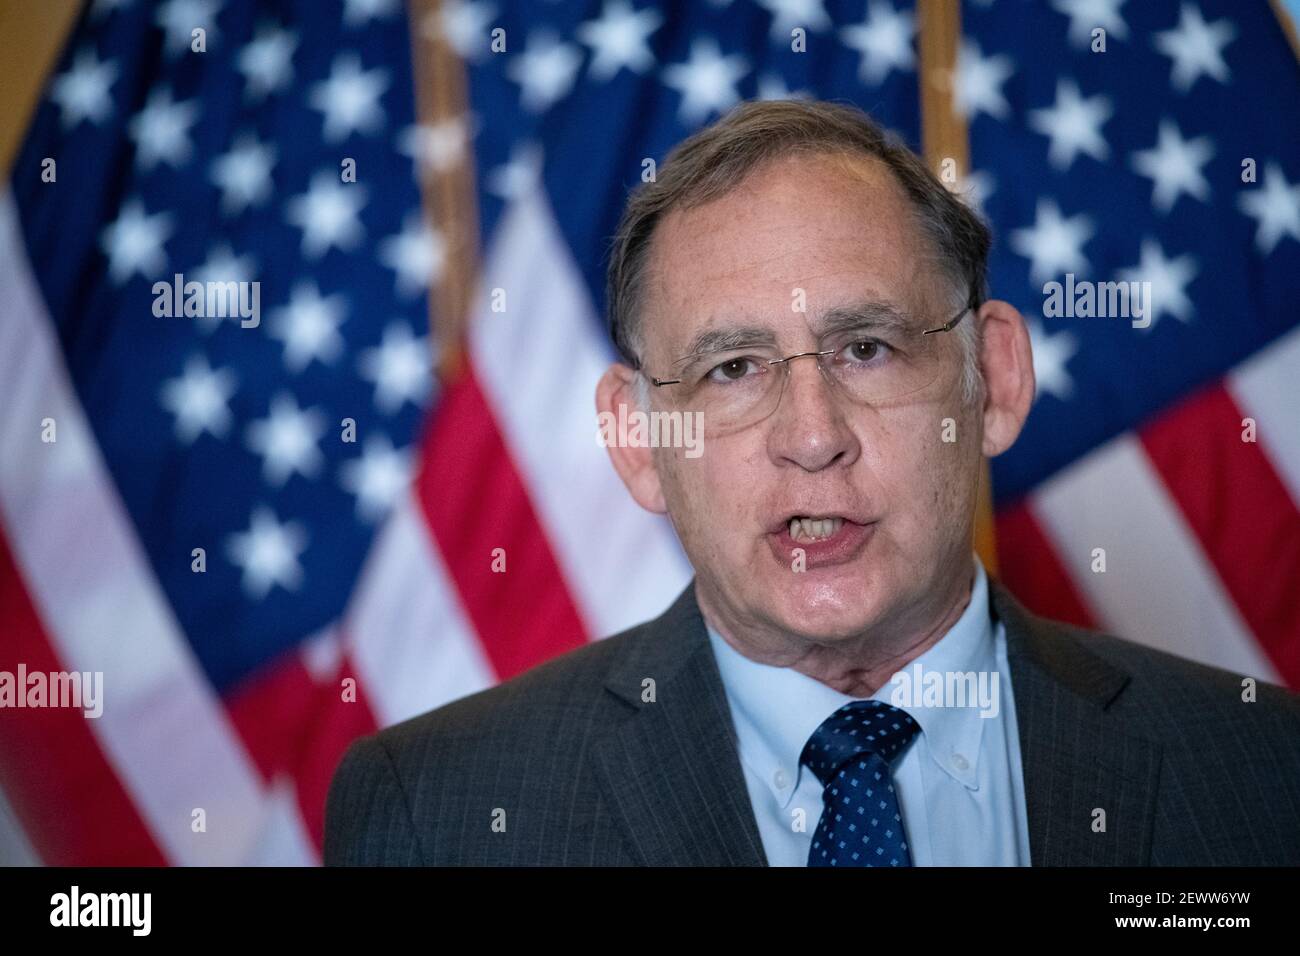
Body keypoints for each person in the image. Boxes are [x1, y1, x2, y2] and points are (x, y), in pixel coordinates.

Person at [324, 99, 1300, 866]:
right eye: (732, 367)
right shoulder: (434, 812)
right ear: (636, 437)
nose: (810, 435)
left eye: (866, 347)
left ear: (992, 379)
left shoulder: (1263, 772)